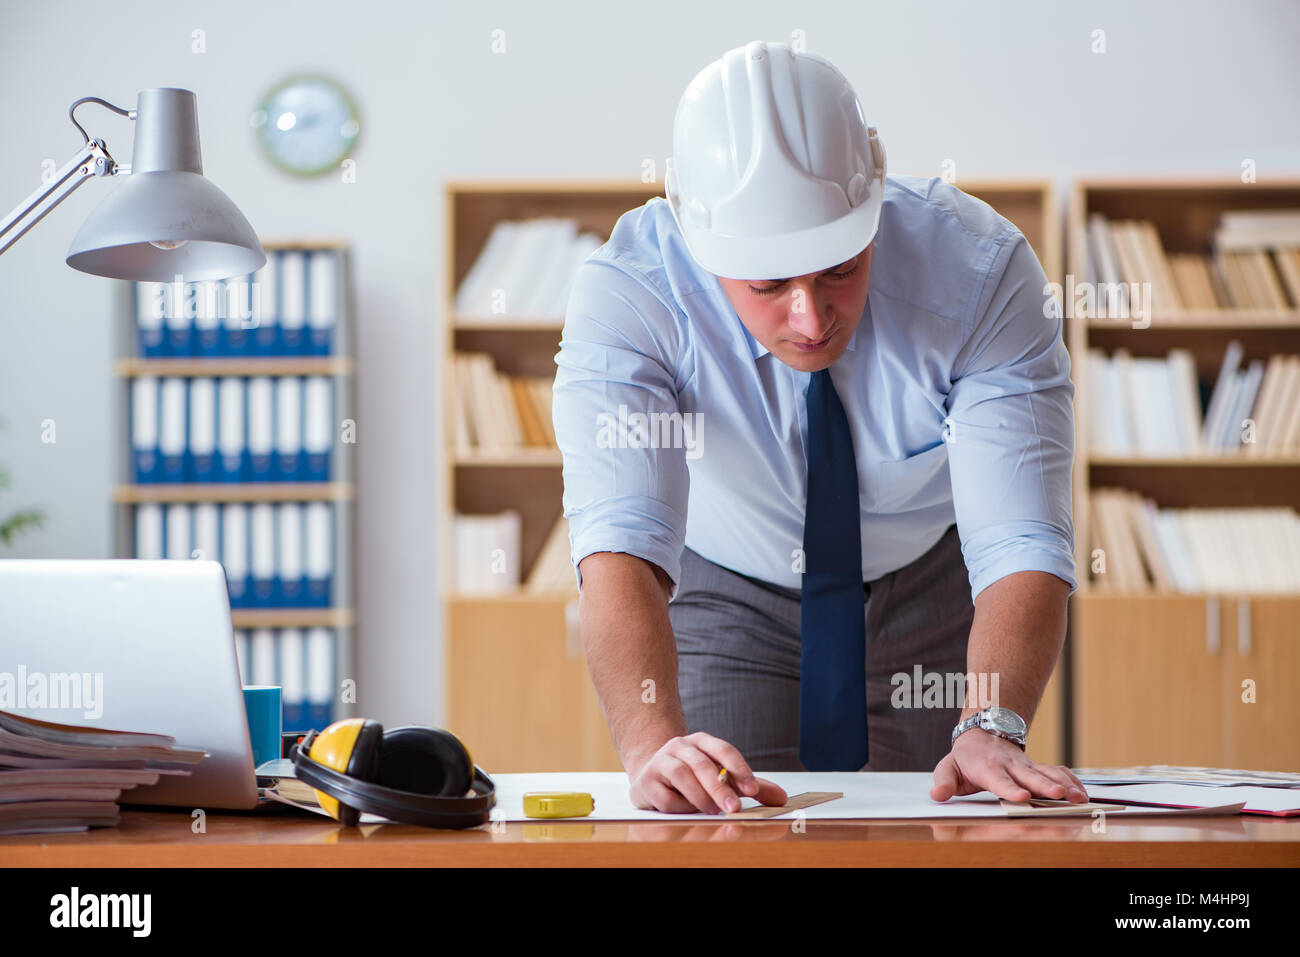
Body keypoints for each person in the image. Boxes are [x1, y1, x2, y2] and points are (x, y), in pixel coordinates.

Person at [553, 40, 1089, 814]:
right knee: (710, 819)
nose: (810, 318)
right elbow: (620, 543)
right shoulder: (630, 295)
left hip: (934, 586)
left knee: (941, 833)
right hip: (729, 586)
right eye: (768, 283)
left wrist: (991, 725)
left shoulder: (982, 273)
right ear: (700, 244)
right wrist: (650, 745)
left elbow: (1021, 538)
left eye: (840, 265)